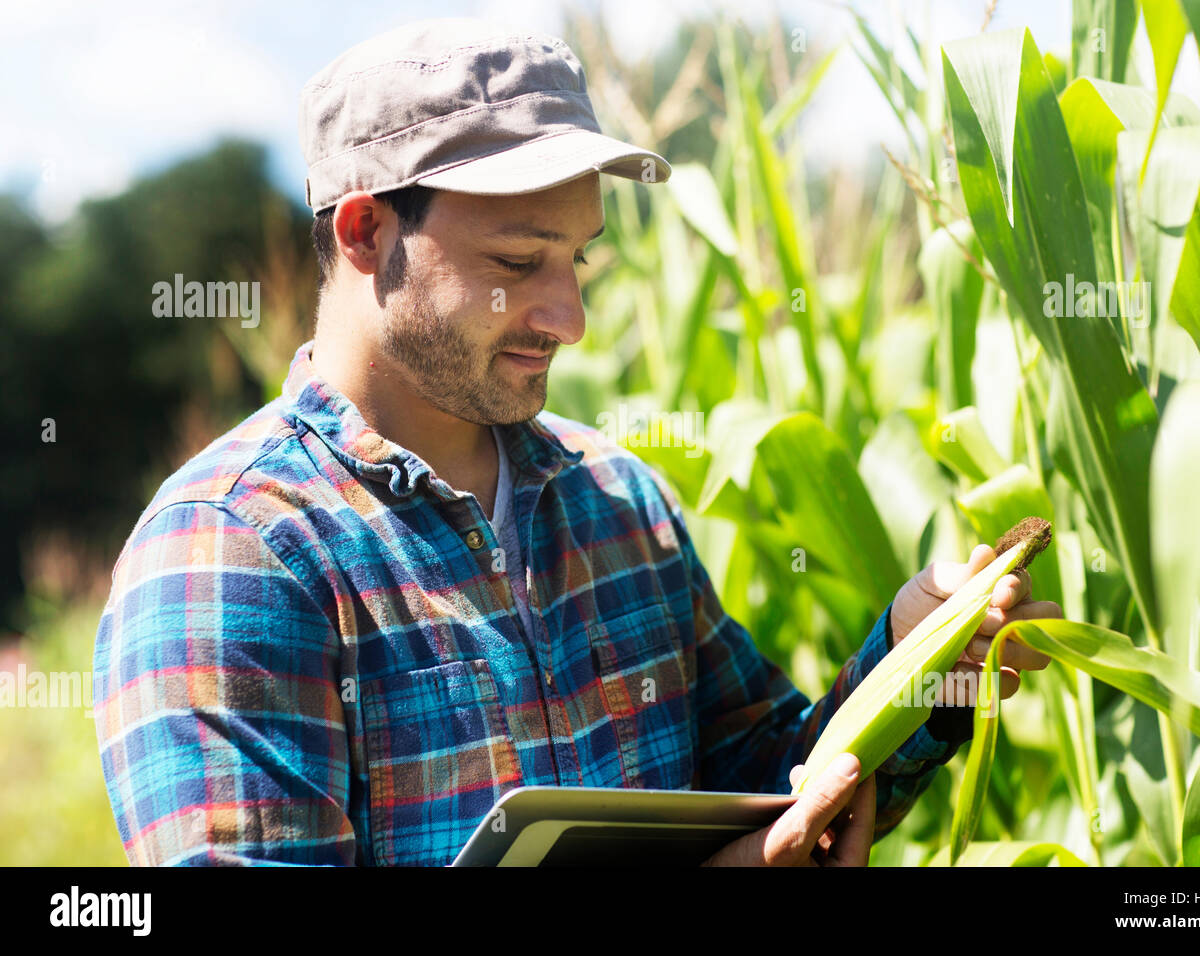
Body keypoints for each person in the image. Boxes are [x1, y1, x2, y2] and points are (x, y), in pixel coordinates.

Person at [92, 17, 1058, 867]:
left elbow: (776, 778)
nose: (570, 317)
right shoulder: (232, 559)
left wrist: (914, 665)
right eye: (518, 262)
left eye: (578, 260)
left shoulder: (621, 502)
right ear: (363, 230)